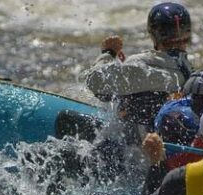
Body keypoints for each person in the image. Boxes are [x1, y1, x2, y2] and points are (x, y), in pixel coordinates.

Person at [81, 2, 193, 134]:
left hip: (135, 147)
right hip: (166, 143)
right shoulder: (188, 70)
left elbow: (94, 80)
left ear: (152, 35)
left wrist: (108, 53)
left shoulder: (139, 66)